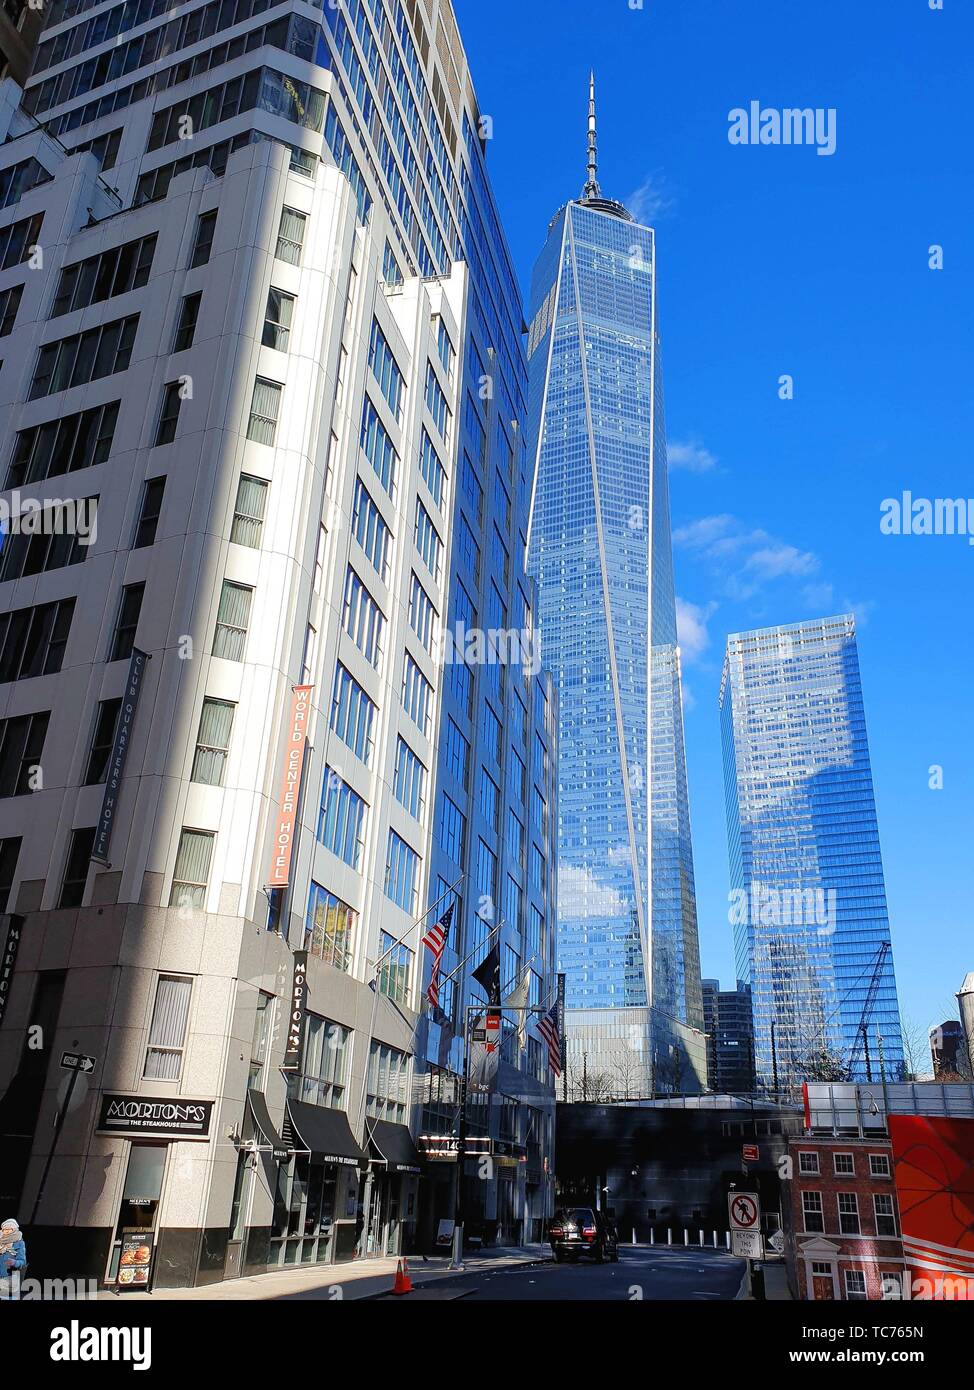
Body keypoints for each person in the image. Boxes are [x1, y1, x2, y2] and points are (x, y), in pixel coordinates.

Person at [0, 1219, 26, 1297]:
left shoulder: (19, 1243)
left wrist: (14, 1262)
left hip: (7, 1278)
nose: (6, 1231)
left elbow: (22, 1262)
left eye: (9, 1229)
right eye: (4, 1229)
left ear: (14, 1230)